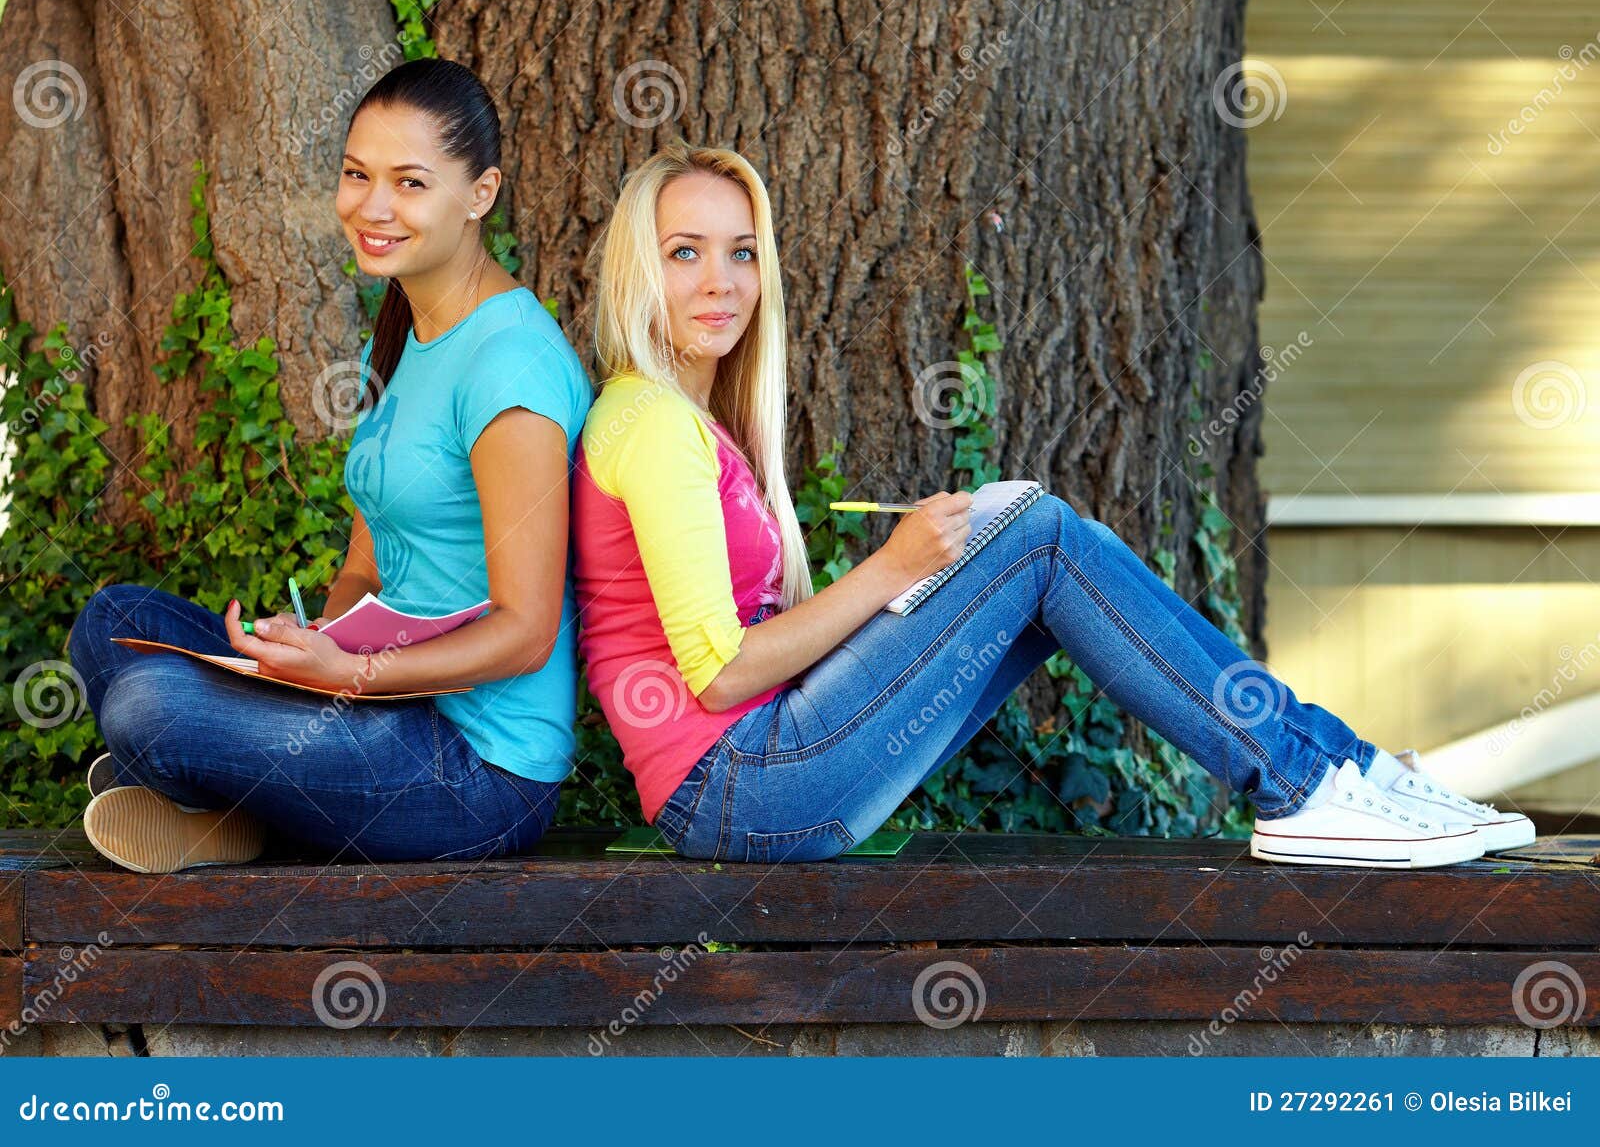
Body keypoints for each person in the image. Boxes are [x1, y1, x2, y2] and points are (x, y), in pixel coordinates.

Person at [571, 142, 1535, 869]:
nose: (721, 280)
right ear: (637, 270)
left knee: (1030, 546)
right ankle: (1308, 781)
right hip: (741, 787)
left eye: (741, 252)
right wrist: (895, 569)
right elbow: (722, 677)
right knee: (1039, 541)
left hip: (763, 773)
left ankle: (1342, 769)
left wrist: (939, 568)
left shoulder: (694, 423)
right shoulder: (651, 423)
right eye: (685, 252)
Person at [67, 58, 592, 874]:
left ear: (480, 194)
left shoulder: (508, 366)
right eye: (357, 174)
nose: (372, 207)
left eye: (410, 183)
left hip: (477, 771)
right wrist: (312, 648)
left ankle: (220, 806)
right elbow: (363, 569)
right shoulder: (407, 332)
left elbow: (526, 634)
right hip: (376, 701)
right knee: (113, 622)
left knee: (147, 705)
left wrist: (352, 674)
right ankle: (229, 808)